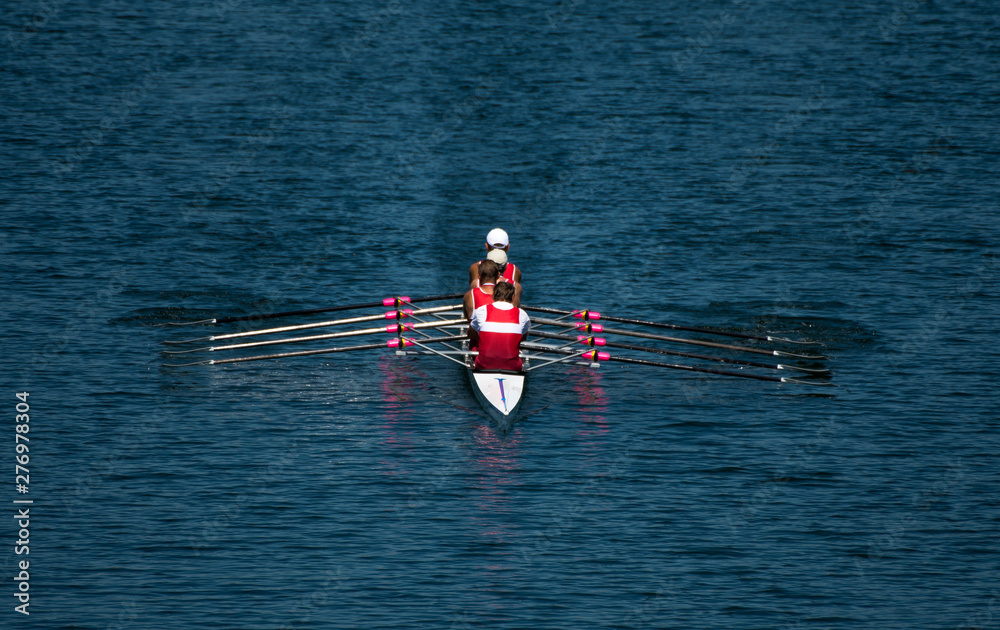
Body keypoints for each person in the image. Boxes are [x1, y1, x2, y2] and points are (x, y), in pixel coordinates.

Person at [468, 281, 530, 372]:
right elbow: (523, 338)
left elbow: (470, 334)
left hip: (483, 365)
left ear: (493, 296)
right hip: (513, 367)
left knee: (475, 341)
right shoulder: (522, 314)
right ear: (513, 298)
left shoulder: (482, 310)